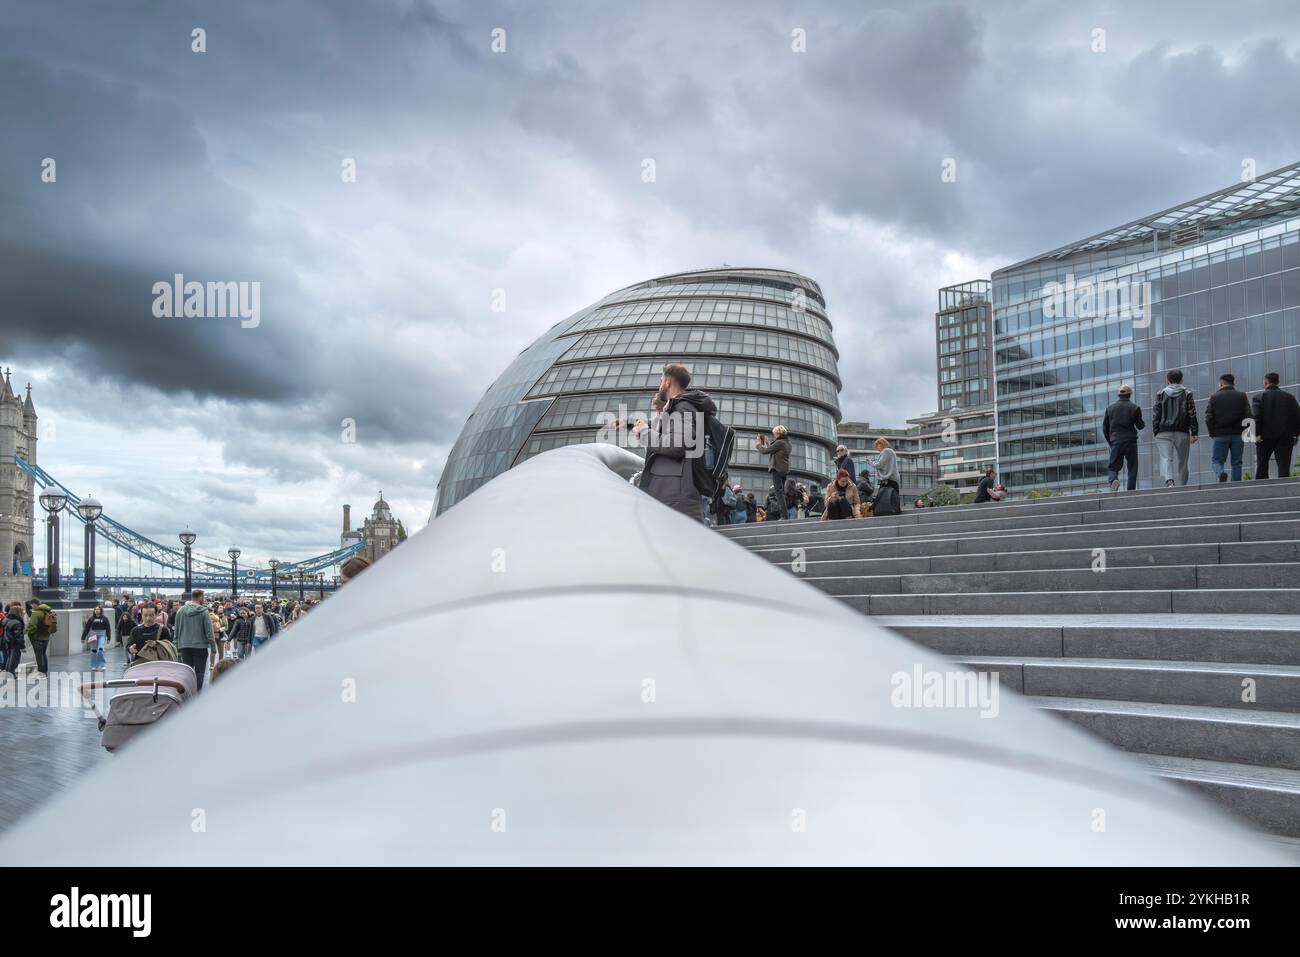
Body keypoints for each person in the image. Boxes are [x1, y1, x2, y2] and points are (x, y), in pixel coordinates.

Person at [615, 364, 720, 522]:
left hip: (676, 496)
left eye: (660, 380)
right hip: (673, 492)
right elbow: (655, 425)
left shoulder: (682, 407)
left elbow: (677, 444)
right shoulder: (678, 408)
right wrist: (628, 423)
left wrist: (644, 432)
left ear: (667, 382)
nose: (660, 385)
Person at [1151, 369, 1199, 487]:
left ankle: (1170, 481)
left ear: (1168, 381)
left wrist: (1156, 431)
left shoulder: (1160, 394)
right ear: (1182, 380)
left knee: (1166, 458)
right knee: (1183, 460)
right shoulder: (1187, 393)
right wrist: (1194, 432)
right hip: (1181, 431)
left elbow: (1156, 414)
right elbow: (1192, 413)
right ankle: (1183, 484)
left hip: (1163, 432)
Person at [1252, 371, 1300, 480]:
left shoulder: (1259, 397)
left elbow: (1256, 417)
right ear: (1278, 382)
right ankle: (1284, 491)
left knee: (1262, 466)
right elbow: (1297, 416)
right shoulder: (1289, 397)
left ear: (1265, 382)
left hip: (1264, 438)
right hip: (1285, 437)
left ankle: (1261, 491)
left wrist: (1256, 434)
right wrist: (1296, 434)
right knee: (1284, 468)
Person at [1205, 373, 1250, 482]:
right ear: (1233, 384)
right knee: (1237, 462)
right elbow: (1248, 415)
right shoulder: (1241, 396)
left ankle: (1221, 473)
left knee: (1217, 461)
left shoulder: (1214, 397)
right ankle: (1236, 486)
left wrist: (1212, 433)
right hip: (1238, 434)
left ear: (1221, 384)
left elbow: (1209, 418)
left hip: (1220, 434)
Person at [172, 589, 217, 692]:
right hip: (200, 647)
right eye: (203, 597)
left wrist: (176, 646)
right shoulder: (204, 611)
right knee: (200, 673)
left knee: (187, 671)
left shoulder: (180, 611)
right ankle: (197, 695)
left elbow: (176, 630)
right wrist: (213, 647)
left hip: (184, 646)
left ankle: (187, 692)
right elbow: (209, 632)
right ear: (200, 597)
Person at [1103, 383, 1144, 491]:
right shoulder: (1135, 408)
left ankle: (1113, 480)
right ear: (1130, 394)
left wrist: (1110, 441)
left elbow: (1105, 428)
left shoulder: (1110, 409)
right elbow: (1140, 426)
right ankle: (1130, 490)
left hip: (1116, 440)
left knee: (1112, 467)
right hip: (1131, 441)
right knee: (1132, 467)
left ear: (1118, 395)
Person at [755, 425, 792, 519]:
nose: (774, 435)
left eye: (775, 434)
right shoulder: (787, 442)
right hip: (784, 469)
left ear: (778, 433)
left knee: (779, 493)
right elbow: (773, 451)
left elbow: (765, 451)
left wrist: (758, 445)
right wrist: (767, 443)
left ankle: (784, 516)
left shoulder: (779, 442)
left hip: (777, 469)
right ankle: (784, 515)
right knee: (781, 492)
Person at [870, 437, 901, 516]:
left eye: (877, 445)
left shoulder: (886, 451)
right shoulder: (890, 451)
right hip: (892, 479)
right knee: (893, 499)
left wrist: (871, 462)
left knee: (884, 499)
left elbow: (879, 464)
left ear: (881, 444)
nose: (877, 448)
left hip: (888, 480)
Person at [80, 604, 112, 674]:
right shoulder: (91, 619)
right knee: (94, 651)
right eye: (95, 609)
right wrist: (83, 637)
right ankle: (94, 665)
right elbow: (86, 628)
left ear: (101, 610)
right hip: (93, 634)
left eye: (98, 609)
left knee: (100, 649)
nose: (97, 610)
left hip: (102, 634)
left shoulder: (104, 618)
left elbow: (108, 628)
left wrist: (109, 637)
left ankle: (102, 664)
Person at [25, 602, 54, 678]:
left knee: (39, 656)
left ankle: (41, 674)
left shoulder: (36, 613)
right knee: (43, 654)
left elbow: (32, 626)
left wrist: (30, 634)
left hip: (37, 638)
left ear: (36, 605)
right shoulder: (49, 612)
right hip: (46, 637)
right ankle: (45, 672)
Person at [2, 602, 25, 676]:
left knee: (9, 658)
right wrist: (22, 646)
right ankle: (11, 674)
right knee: (14, 660)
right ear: (18, 612)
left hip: (8, 641)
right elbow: (18, 636)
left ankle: (8, 673)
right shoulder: (17, 622)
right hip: (15, 643)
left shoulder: (7, 619)